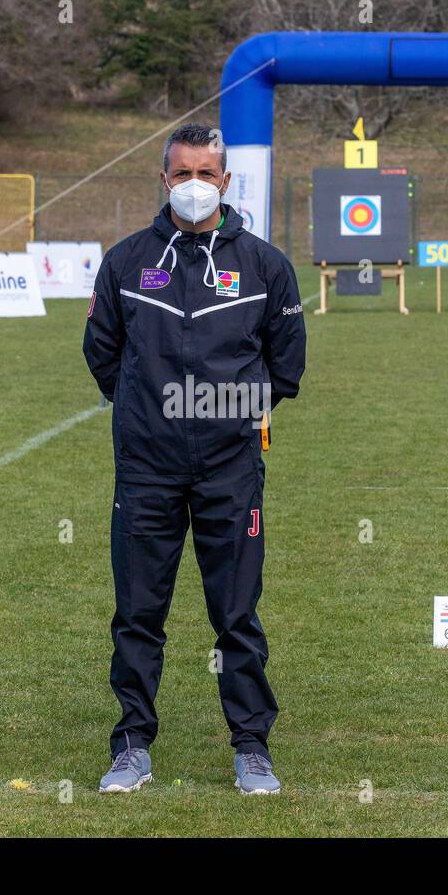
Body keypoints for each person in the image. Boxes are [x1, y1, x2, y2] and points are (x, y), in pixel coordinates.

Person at [83, 123, 306, 795]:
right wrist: (146, 411)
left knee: (236, 613)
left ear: (226, 183)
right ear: (163, 180)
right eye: (182, 174)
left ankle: (251, 749)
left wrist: (227, 414)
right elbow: (102, 352)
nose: (194, 186)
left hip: (231, 469)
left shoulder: (267, 266)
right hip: (146, 468)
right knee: (138, 612)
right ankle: (131, 747)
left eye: (207, 174)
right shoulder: (125, 262)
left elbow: (286, 363)